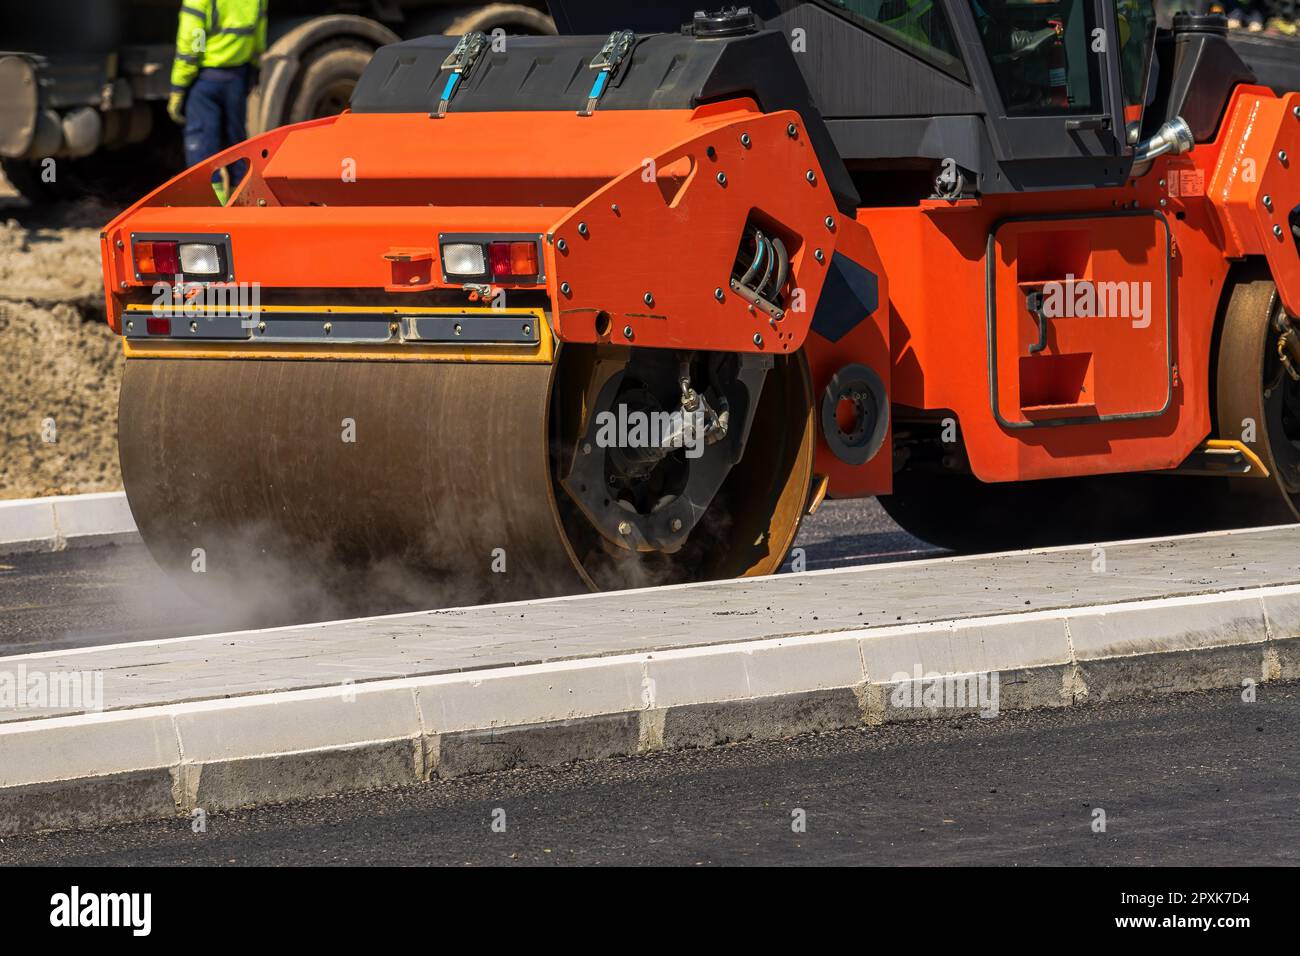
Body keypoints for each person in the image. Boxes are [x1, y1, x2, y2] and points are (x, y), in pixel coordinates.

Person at [167, 1, 268, 204]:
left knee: (203, 155)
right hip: (237, 78)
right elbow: (259, 34)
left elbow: (191, 43)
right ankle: (242, 205)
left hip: (205, 81)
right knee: (237, 148)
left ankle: (209, 210)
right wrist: (255, 68)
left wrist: (178, 87)